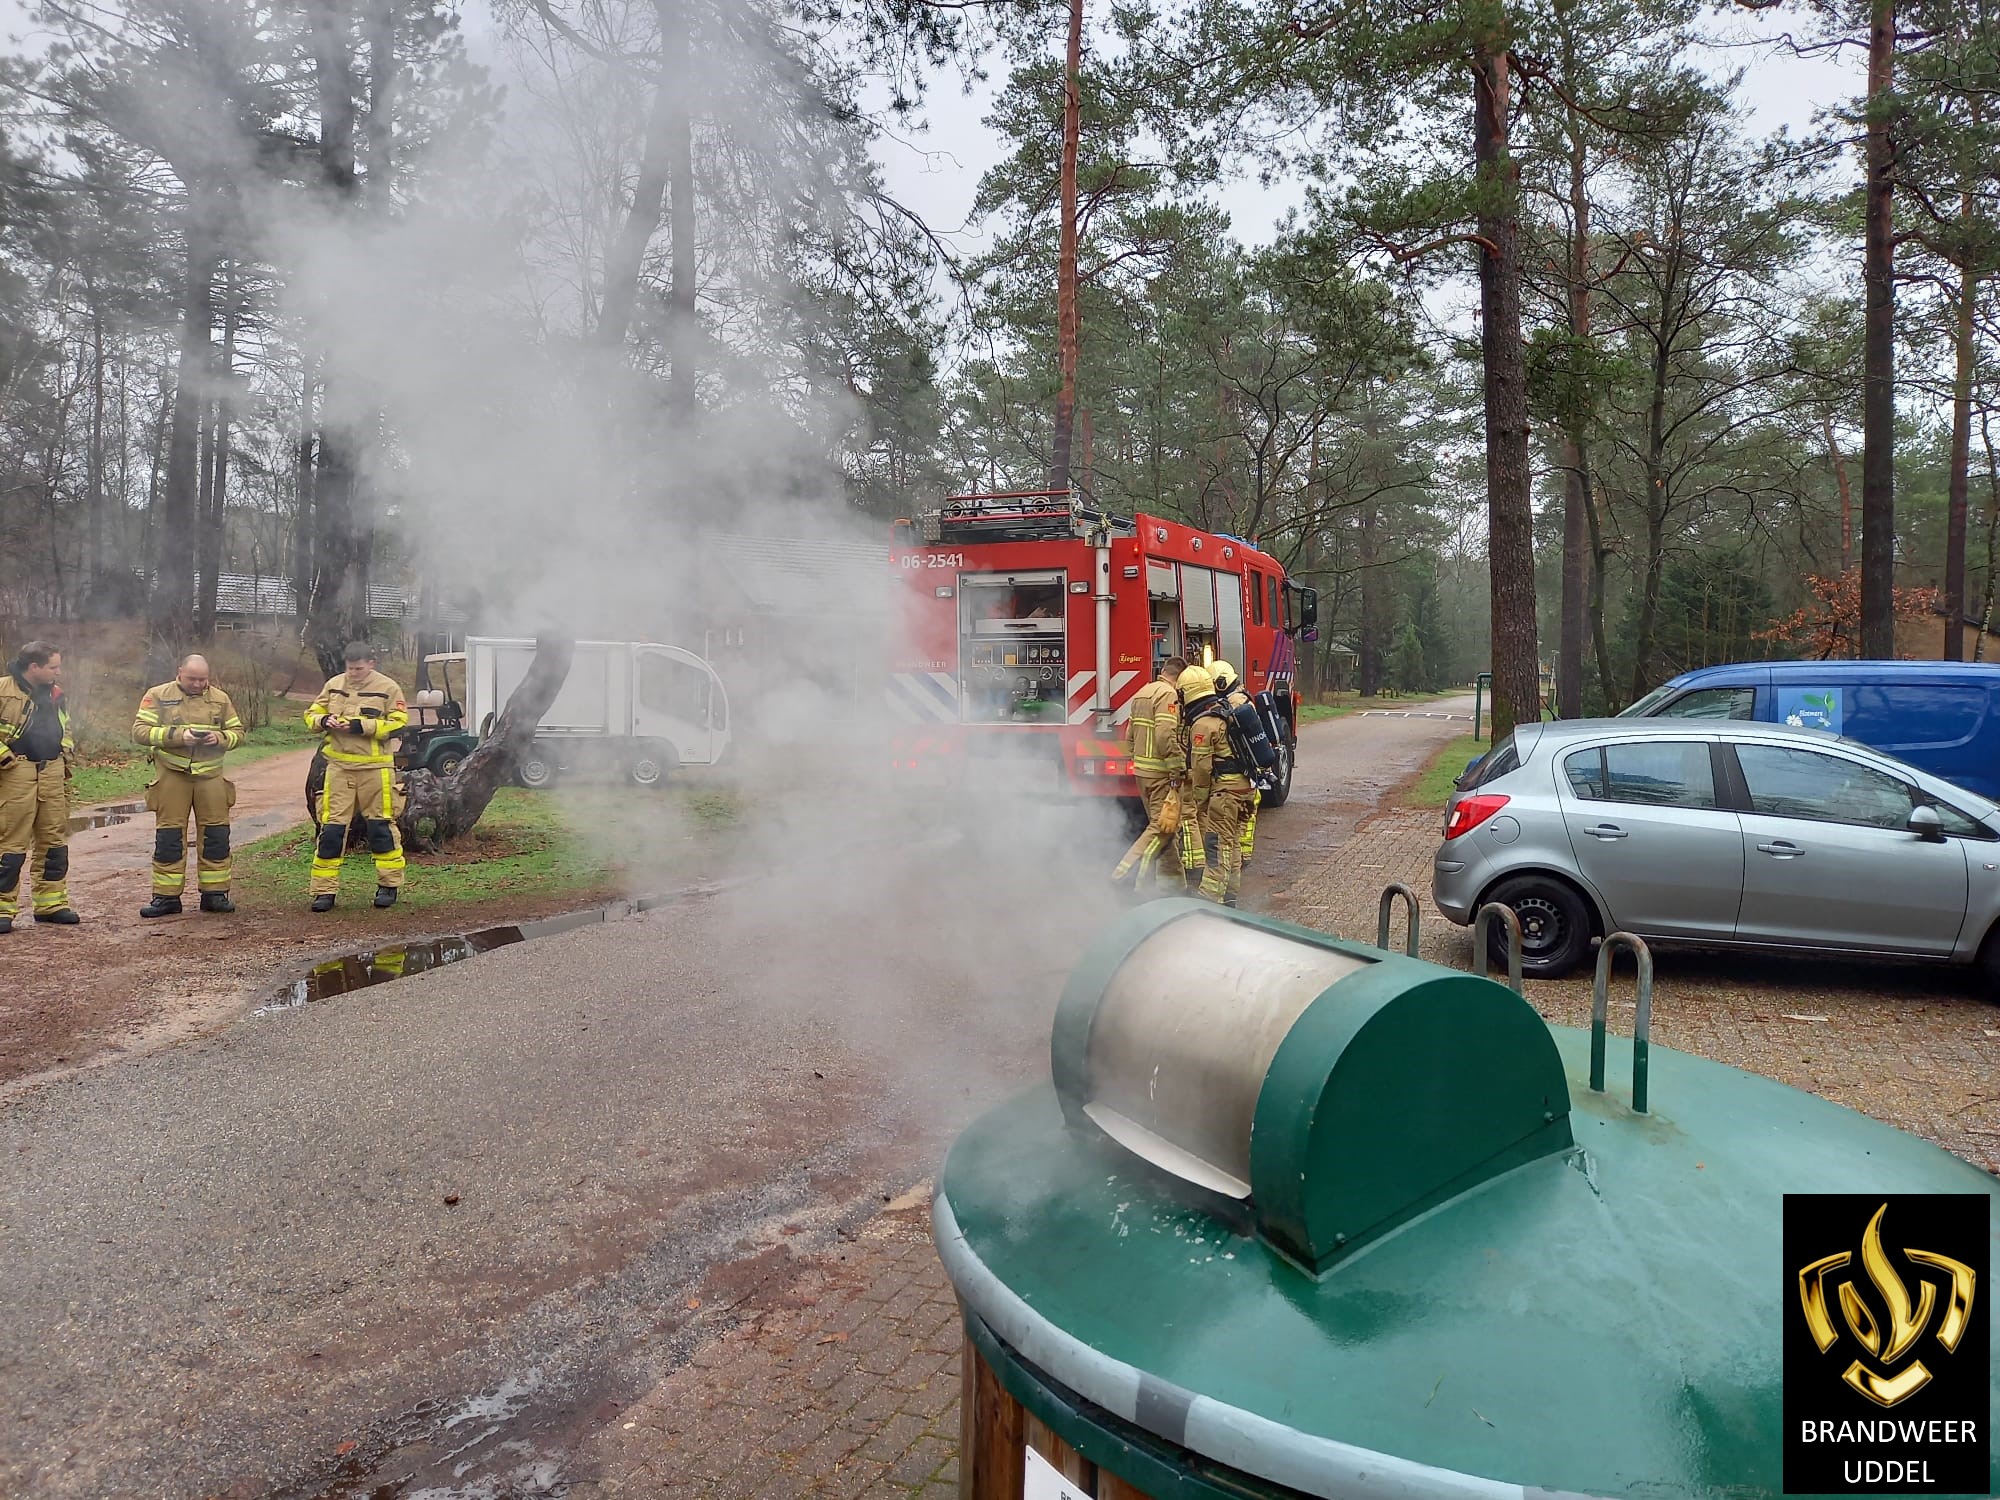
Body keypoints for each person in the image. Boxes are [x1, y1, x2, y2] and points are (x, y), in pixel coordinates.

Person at [133, 654, 246, 917]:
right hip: (173, 774)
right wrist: (178, 736)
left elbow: (238, 733)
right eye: (192, 678)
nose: (197, 684)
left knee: (216, 836)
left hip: (211, 777)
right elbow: (139, 731)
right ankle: (166, 897)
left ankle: (215, 895)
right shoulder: (158, 695)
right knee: (169, 837)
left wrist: (219, 738)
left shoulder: (220, 698)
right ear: (179, 672)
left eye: (202, 679)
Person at [305, 641, 409, 912]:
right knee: (331, 830)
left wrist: (361, 726)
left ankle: (388, 885)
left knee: (381, 828)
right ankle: (324, 891)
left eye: (359, 668)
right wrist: (323, 721)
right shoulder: (334, 685)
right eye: (350, 668)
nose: (353, 673)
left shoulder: (388, 688)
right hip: (339, 768)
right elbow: (312, 714)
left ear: (371, 664)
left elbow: (399, 723)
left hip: (376, 770)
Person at [0, 641, 79, 930]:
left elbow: (65, 727)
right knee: (10, 842)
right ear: (34, 667)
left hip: (52, 771)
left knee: (54, 840)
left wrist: (66, 754)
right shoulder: (3, 690)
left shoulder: (56, 693)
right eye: (53, 667)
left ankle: (51, 904)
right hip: (15, 772)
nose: (58, 672)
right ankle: (2, 909)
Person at [1178, 663, 1254, 908]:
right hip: (1245, 789)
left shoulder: (1203, 725)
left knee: (1216, 845)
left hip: (1225, 794)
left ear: (1188, 693)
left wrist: (1200, 802)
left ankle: (1209, 899)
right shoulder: (1225, 710)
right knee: (1231, 843)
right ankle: (1230, 896)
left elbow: (1201, 770)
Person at [1111, 655, 1188, 891]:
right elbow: (1165, 734)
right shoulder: (1167, 694)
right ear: (1179, 677)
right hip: (1160, 774)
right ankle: (1123, 875)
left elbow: (1129, 734)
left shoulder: (1143, 692)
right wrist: (1177, 768)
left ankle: (1173, 886)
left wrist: (1135, 760)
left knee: (1168, 828)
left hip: (1143, 773)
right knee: (1160, 827)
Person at [1209, 661, 1261, 870]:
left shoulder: (1236, 702)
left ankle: (1240, 858)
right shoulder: (1240, 697)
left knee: (1238, 825)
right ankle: (1243, 856)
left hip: (1240, 770)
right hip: (1248, 771)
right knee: (1244, 820)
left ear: (1221, 683)